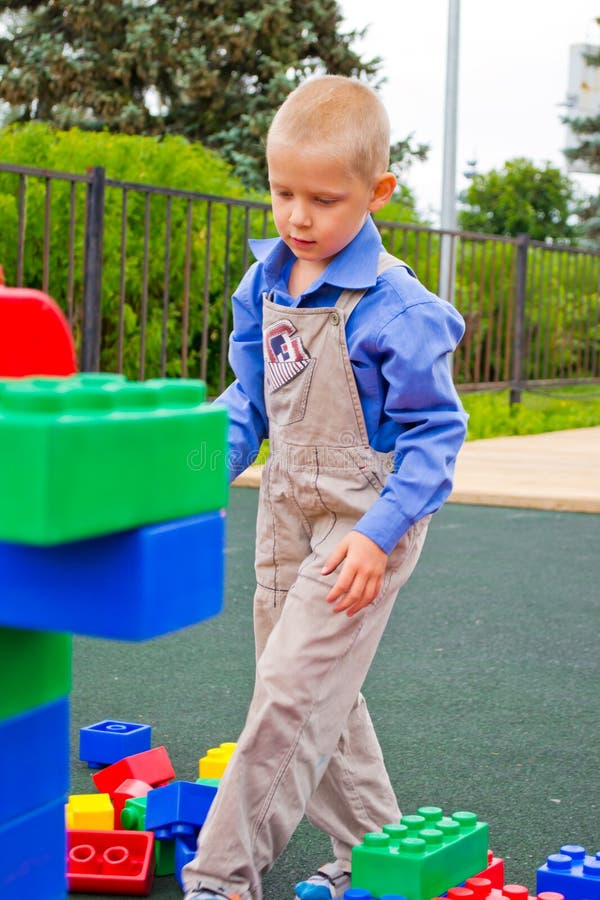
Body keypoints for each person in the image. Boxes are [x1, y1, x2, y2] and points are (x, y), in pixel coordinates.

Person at [182, 75, 468, 900]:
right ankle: (378, 854)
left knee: (286, 695)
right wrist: (194, 474)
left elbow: (435, 437)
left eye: (324, 199)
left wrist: (378, 536)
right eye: (282, 193)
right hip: (285, 514)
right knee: (315, 696)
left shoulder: (400, 311)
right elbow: (249, 404)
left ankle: (223, 876)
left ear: (378, 192)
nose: (299, 217)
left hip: (361, 528)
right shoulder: (263, 285)